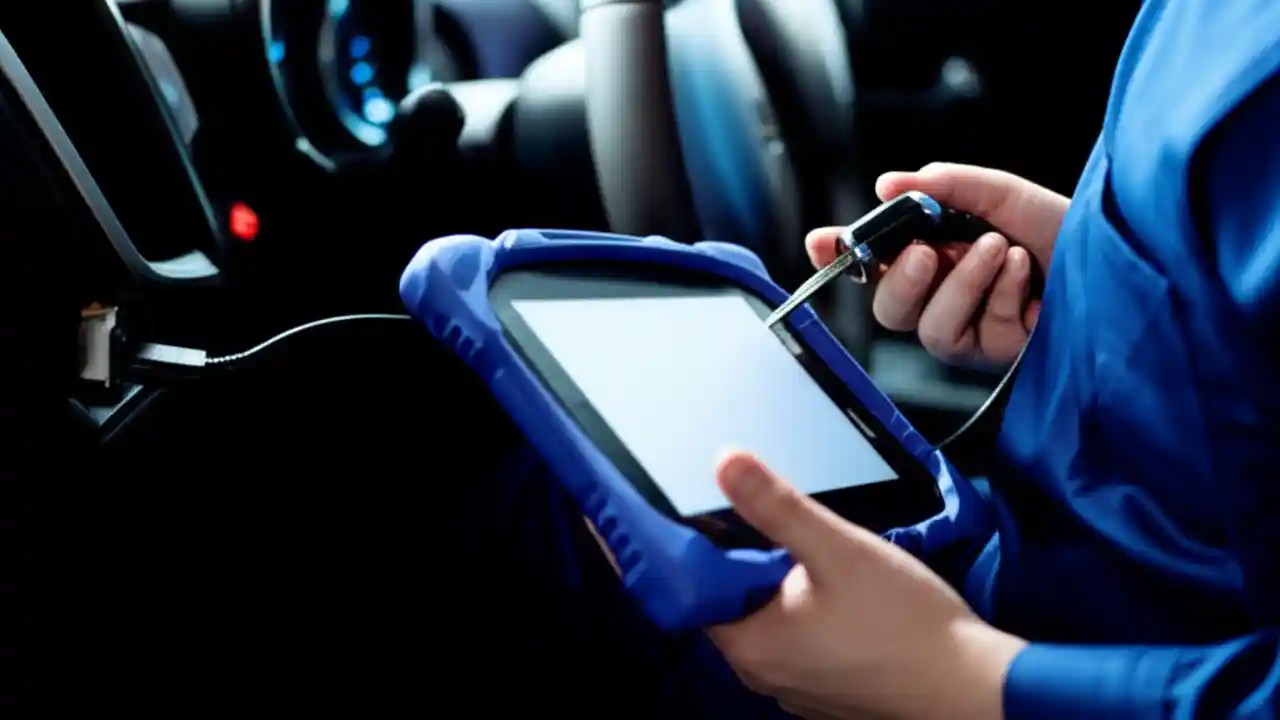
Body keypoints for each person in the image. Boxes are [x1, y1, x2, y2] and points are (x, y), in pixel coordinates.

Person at [447, 1, 1280, 717]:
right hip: (1046, 573)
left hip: (1048, 663)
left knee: (534, 530)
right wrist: (1121, 300)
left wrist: (956, 681)